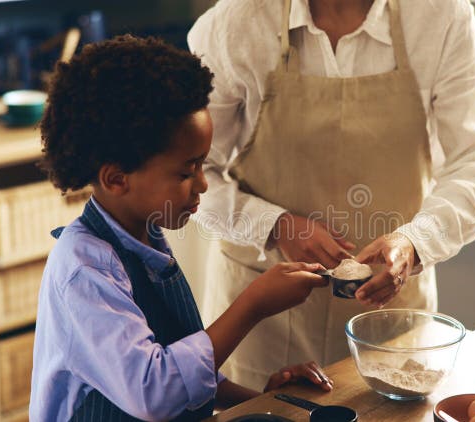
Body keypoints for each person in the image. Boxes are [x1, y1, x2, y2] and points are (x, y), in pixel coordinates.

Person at [187, 0, 475, 389]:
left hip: (393, 317)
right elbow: (192, 169)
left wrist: (414, 242)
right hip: (265, 320)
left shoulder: (441, 16)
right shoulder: (236, 22)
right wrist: (274, 226)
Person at [29, 35, 334, 422]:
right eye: (185, 171)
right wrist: (252, 304)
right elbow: (154, 391)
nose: (202, 184)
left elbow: (180, 369)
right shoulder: (84, 271)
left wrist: (266, 400)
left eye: (202, 166)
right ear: (117, 178)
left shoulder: (147, 238)